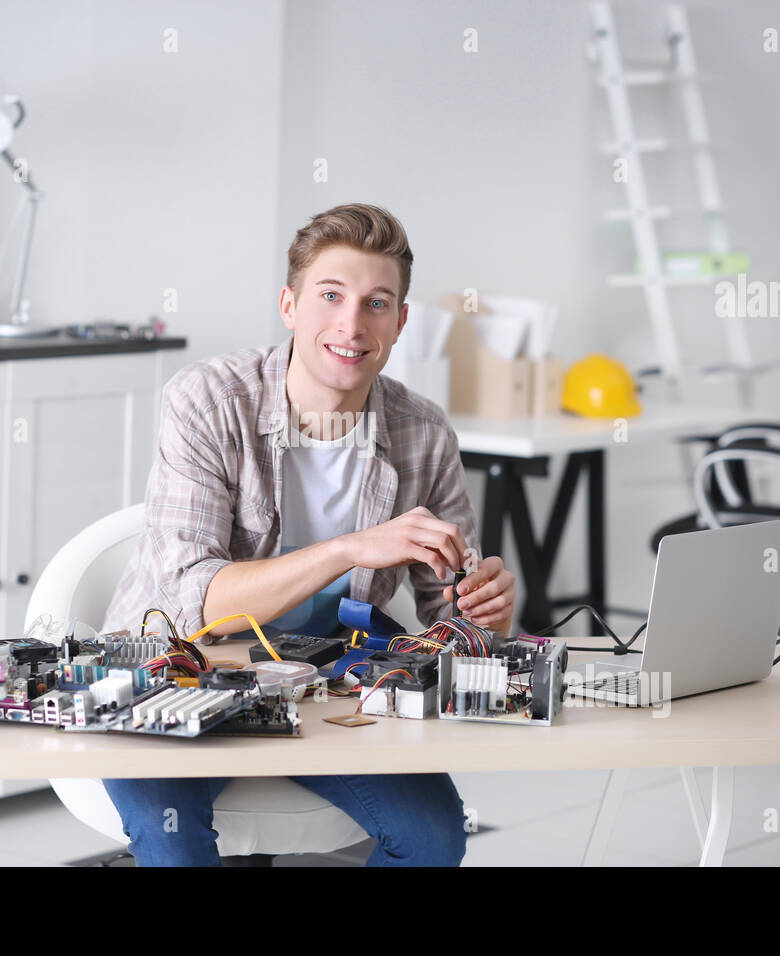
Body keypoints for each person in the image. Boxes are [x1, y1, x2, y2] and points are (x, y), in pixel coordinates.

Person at [101, 202, 516, 866]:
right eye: (331, 296)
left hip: (329, 670)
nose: (352, 324)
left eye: (377, 304)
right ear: (289, 306)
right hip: (176, 664)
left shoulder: (424, 432)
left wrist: (483, 610)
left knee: (433, 837)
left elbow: (449, 612)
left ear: (400, 322)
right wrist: (351, 547)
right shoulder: (207, 403)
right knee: (173, 841)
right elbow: (196, 600)